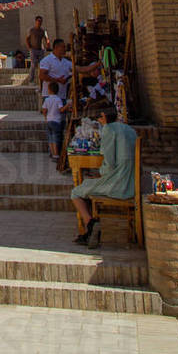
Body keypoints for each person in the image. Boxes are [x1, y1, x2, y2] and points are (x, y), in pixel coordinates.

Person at [71, 104, 137, 247]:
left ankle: (90, 224)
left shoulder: (109, 130)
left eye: (99, 118)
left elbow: (109, 163)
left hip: (118, 184)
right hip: (132, 181)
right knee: (87, 187)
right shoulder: (129, 129)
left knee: (76, 192)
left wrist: (100, 174)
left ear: (103, 116)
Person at [41, 81, 69, 159]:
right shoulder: (58, 99)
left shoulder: (47, 100)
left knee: (50, 138)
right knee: (56, 138)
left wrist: (45, 117)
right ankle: (56, 154)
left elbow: (44, 110)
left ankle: (52, 153)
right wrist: (67, 105)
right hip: (56, 121)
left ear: (49, 90)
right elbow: (61, 110)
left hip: (49, 120)